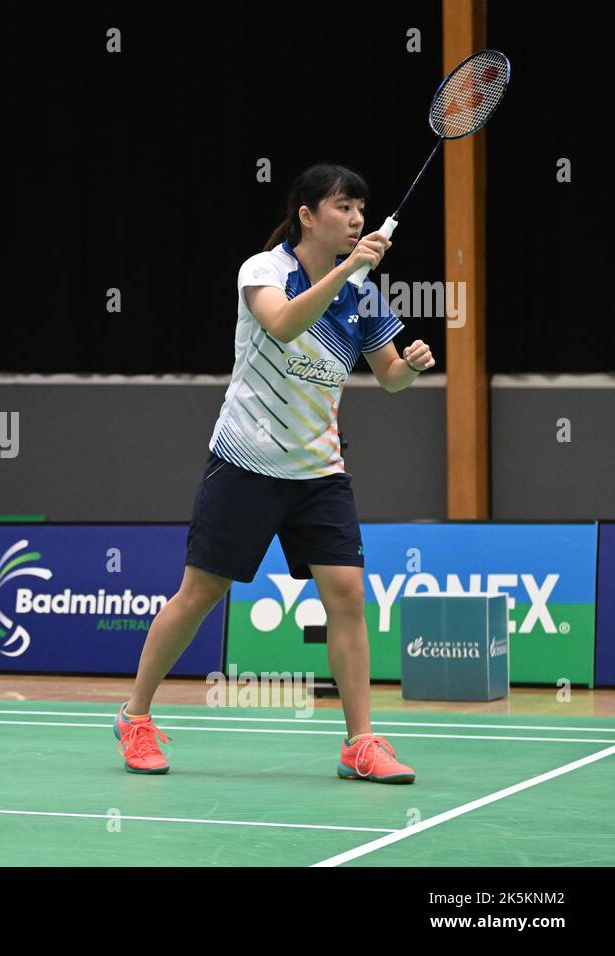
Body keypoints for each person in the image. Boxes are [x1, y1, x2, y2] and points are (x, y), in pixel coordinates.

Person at [115, 164, 435, 783]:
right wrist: (349, 269)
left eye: (361, 210)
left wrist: (412, 366)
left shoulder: (365, 296)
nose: (356, 219)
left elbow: (390, 378)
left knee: (347, 595)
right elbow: (284, 323)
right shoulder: (264, 271)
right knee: (200, 594)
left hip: (319, 471)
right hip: (246, 462)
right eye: (343, 207)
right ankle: (136, 717)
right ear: (307, 216)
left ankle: (360, 743)